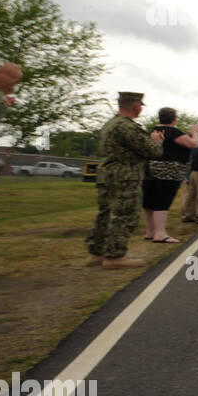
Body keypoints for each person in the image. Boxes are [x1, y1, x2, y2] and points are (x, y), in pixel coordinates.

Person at [86, 92, 165, 268]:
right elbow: (152, 152)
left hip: (107, 175)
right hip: (125, 176)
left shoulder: (110, 124)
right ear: (136, 105)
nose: (141, 109)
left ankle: (96, 253)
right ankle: (114, 256)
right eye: (140, 106)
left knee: (105, 214)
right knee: (125, 214)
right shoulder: (127, 127)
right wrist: (156, 141)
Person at [142, 107, 198, 243]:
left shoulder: (152, 130)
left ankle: (150, 231)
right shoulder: (172, 131)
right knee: (162, 200)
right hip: (169, 170)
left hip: (150, 168)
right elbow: (194, 144)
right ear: (174, 119)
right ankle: (160, 233)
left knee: (149, 200)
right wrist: (195, 132)